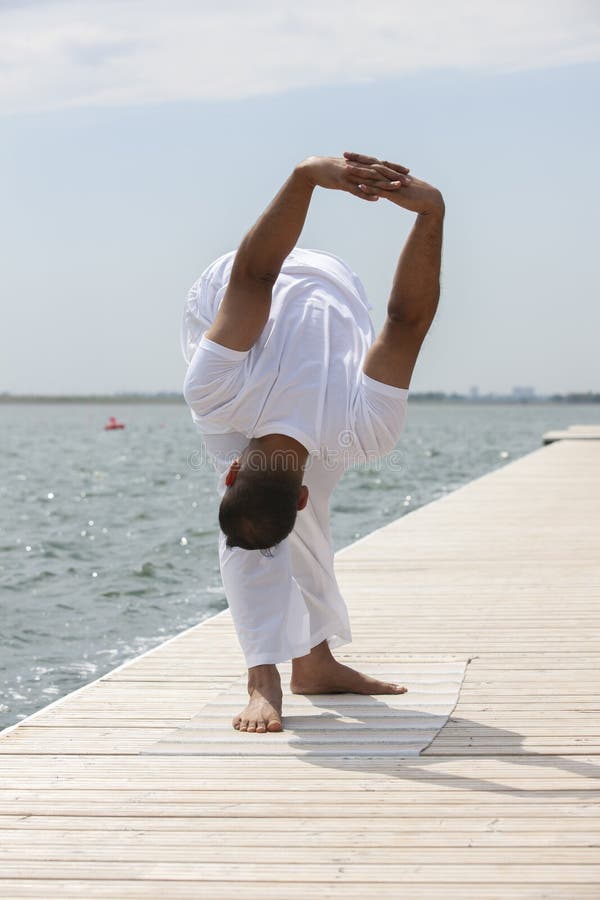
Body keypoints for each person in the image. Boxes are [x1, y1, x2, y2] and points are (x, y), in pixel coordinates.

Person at [181, 151, 444, 734]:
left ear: (231, 470)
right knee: (251, 530)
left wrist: (428, 213)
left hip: (297, 281)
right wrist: (309, 179)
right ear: (230, 468)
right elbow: (401, 319)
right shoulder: (344, 425)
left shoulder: (356, 430)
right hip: (256, 296)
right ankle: (264, 677)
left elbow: (405, 321)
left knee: (285, 527)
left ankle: (314, 664)